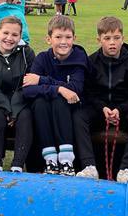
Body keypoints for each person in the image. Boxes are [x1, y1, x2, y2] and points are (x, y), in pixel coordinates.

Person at [72, 16, 128, 184]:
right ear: (99, 40)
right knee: (78, 116)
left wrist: (120, 109)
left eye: (116, 38)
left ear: (123, 39)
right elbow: (88, 92)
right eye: (107, 38)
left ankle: (126, 169)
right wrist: (102, 108)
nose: (112, 42)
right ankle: (89, 166)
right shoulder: (91, 61)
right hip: (99, 110)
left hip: (124, 110)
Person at [22, 14, 87, 175]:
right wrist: (59, 89)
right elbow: (28, 90)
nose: (63, 41)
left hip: (71, 108)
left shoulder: (79, 58)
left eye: (68, 37)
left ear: (74, 38)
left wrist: (42, 80)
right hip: (45, 110)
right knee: (40, 103)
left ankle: (66, 160)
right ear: (48, 39)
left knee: (59, 101)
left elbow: (75, 89)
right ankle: (50, 159)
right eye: (58, 37)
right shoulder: (42, 58)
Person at [0, 15, 36, 172]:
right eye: (5, 33)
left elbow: (28, 83)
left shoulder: (27, 54)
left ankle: (17, 164)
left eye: (14, 35)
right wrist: (7, 108)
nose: (9, 38)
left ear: (20, 36)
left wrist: (14, 110)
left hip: (21, 103)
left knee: (26, 116)